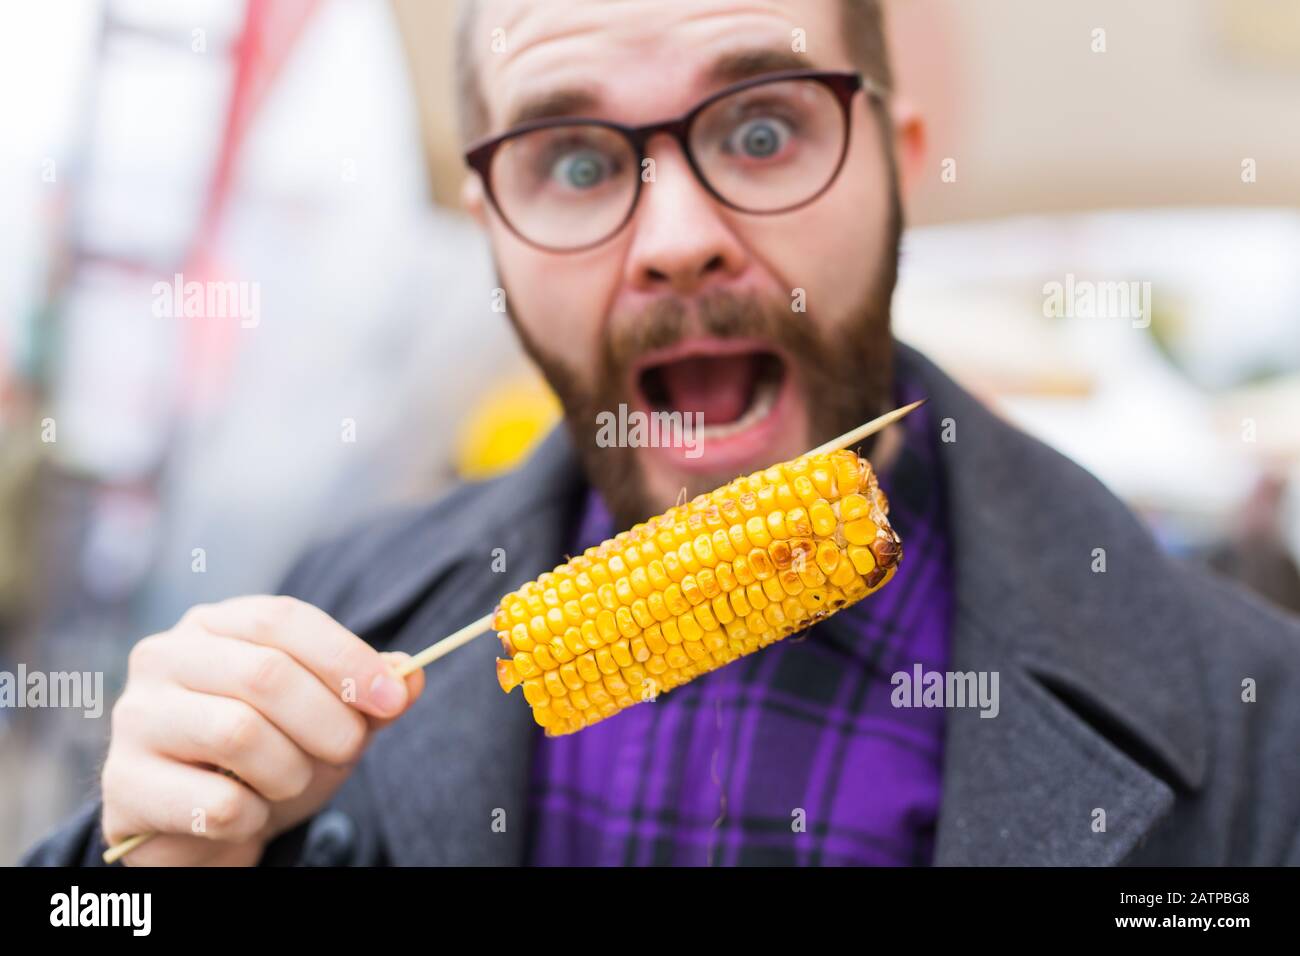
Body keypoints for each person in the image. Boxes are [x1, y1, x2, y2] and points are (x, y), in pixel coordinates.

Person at [25, 0, 1300, 866]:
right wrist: (135, 867)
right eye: (574, 162)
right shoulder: (341, 613)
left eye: (761, 130)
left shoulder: (1257, 726)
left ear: (899, 164)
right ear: (493, 232)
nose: (677, 233)